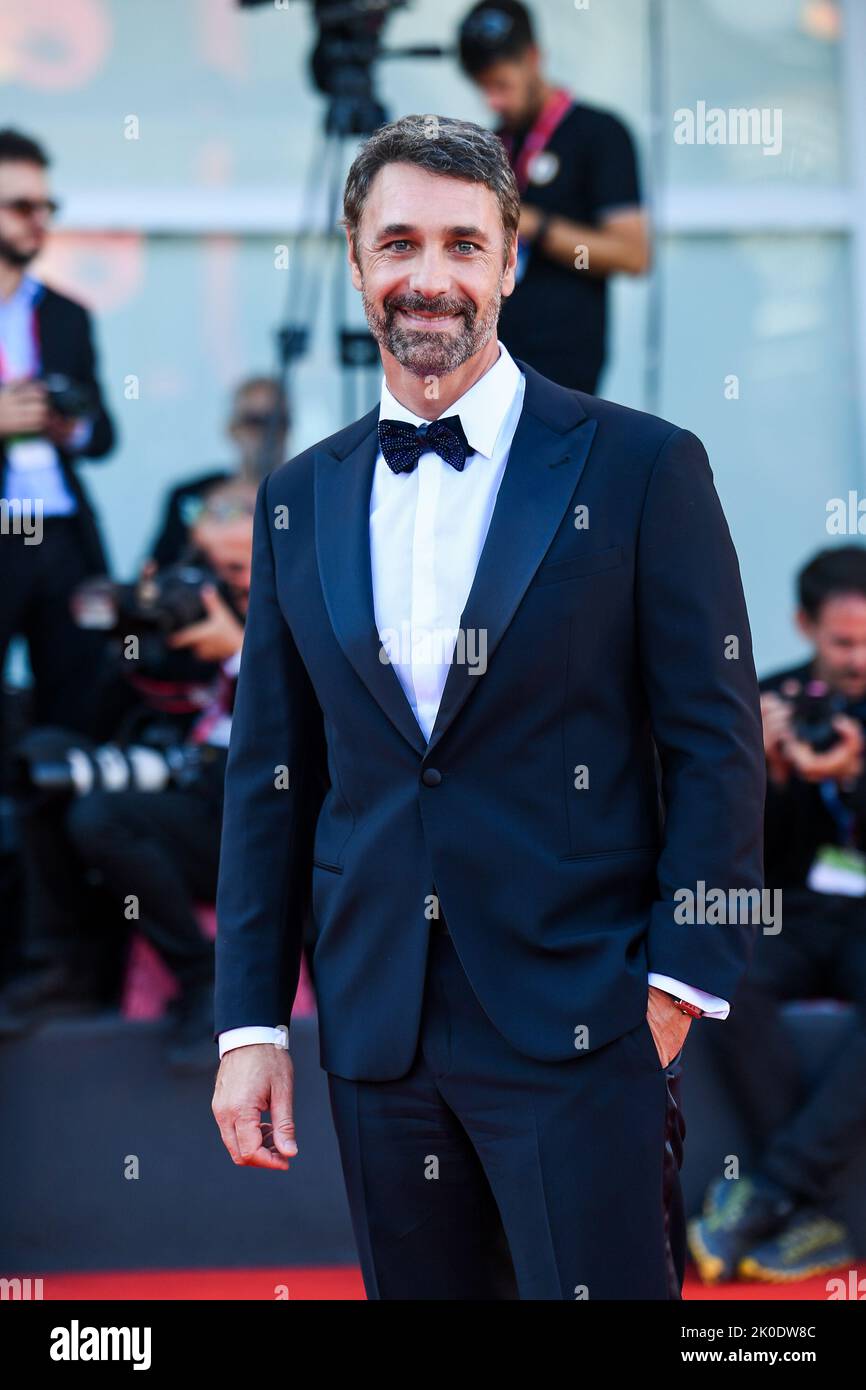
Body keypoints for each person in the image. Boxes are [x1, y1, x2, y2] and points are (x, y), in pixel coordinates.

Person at [211, 114, 764, 1301]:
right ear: (354, 260)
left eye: (463, 244)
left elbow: (716, 743)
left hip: (583, 1017)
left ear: (510, 262)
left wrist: (677, 984)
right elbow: (270, 773)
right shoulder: (298, 496)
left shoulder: (639, 465)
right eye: (397, 242)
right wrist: (249, 1024)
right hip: (374, 1029)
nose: (429, 277)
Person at [0, 483, 254, 1071]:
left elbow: (322, 718)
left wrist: (241, 650)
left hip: (265, 824)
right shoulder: (206, 615)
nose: (223, 582)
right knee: (45, 763)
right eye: (207, 566)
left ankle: (204, 979)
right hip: (191, 785)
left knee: (103, 816)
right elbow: (145, 708)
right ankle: (61, 965)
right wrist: (135, 636)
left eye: (239, 566)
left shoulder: (311, 603)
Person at [689, 546, 866, 1284]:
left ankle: (769, 1192)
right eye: (843, 642)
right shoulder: (765, 701)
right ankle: (803, 1211)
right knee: (722, 973)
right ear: (804, 626)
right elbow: (724, 850)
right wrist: (757, 774)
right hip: (788, 911)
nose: (859, 659)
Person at [457, 0, 649, 394]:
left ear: (534, 58)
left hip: (564, 372)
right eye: (483, 89)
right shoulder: (493, 144)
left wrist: (530, 224)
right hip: (490, 367)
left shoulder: (600, 134)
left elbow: (633, 254)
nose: (493, 101)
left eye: (501, 85)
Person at [0, 128, 116, 739]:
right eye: (22, 206)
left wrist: (71, 427)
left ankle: (61, 832)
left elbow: (103, 436)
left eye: (47, 207)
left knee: (76, 696)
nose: (39, 221)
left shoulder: (66, 313)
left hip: (62, 529)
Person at [147, 375, 289, 570]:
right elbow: (159, 574)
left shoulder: (310, 499)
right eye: (256, 422)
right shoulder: (192, 496)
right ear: (232, 429)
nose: (269, 434)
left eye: (279, 422)